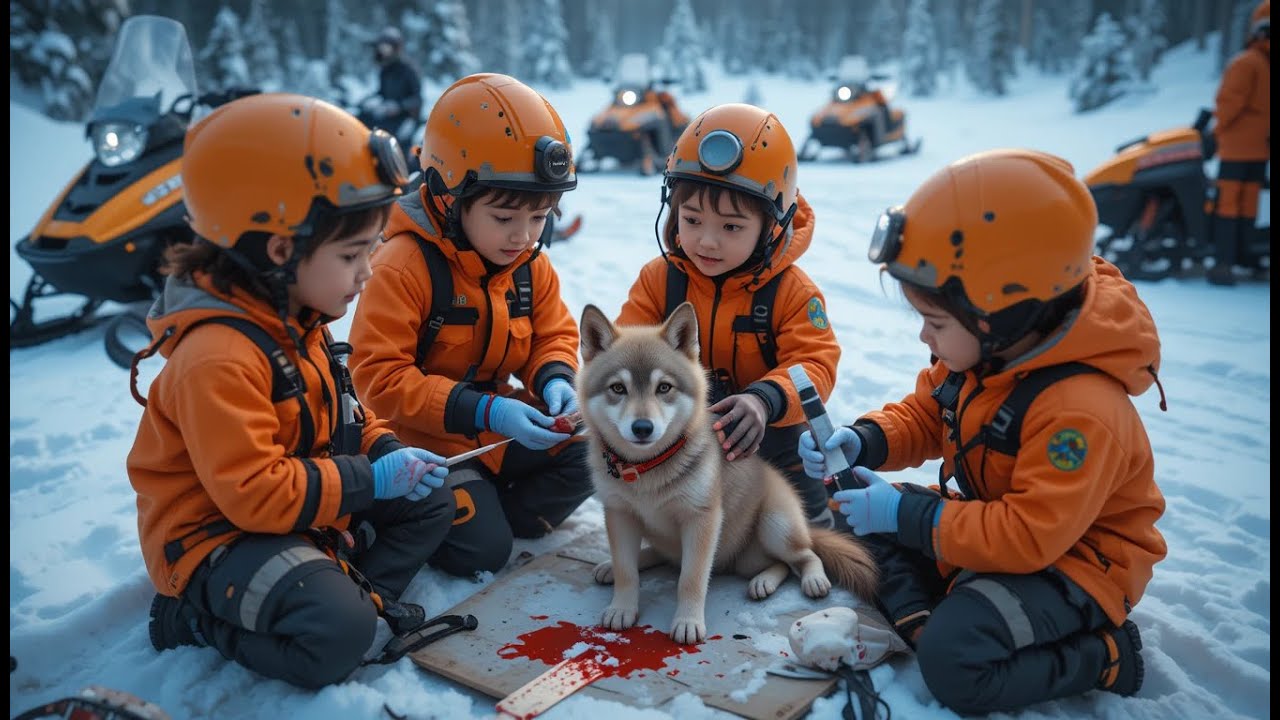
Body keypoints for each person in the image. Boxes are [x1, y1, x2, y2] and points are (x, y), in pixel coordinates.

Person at [798, 149, 1169, 713]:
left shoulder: (1081, 410)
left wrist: (907, 515)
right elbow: (928, 414)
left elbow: (1029, 536)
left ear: (1004, 312)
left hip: (1076, 564)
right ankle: (937, 606)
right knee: (846, 516)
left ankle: (1107, 655)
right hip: (996, 531)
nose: (925, 336)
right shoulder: (984, 357)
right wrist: (864, 438)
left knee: (955, 661)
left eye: (936, 322)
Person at [127, 94, 456, 689]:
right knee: (335, 637)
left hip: (297, 506)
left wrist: (384, 454)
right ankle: (192, 618)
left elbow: (345, 418)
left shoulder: (302, 319)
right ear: (280, 250)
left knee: (435, 501)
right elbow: (252, 494)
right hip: (215, 536)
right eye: (353, 254)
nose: (369, 271)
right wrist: (370, 480)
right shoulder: (218, 358)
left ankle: (355, 594)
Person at [348, 74, 591, 578]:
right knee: (484, 552)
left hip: (497, 434)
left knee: (599, 449)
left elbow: (553, 336)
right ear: (445, 197)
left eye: (541, 216)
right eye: (503, 218)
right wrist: (485, 410)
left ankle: (494, 505)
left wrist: (556, 381)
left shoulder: (528, 264)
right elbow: (378, 379)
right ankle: (433, 512)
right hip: (422, 445)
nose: (523, 235)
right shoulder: (400, 266)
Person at [616, 103, 841, 527]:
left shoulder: (792, 292)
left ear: (772, 226)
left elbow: (815, 363)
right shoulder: (659, 280)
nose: (707, 241)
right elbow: (626, 348)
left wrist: (765, 399)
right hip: (680, 427)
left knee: (801, 456)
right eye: (692, 219)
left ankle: (809, 526)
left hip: (766, 433)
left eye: (732, 227)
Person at [1209, 0, 1270, 286]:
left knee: (1228, 206)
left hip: (1235, 150)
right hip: (1260, 151)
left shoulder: (1246, 62)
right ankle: (1247, 259)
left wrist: (1215, 132)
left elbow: (1228, 104)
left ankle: (1223, 264)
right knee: (1248, 206)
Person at [361, 26, 423, 162]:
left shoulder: (408, 69)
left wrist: (398, 106)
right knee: (361, 122)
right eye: (381, 48)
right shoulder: (385, 70)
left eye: (386, 48)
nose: (382, 51)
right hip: (386, 117)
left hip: (406, 119)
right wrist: (369, 101)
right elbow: (382, 93)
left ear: (395, 48)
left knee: (393, 144)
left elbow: (417, 99)